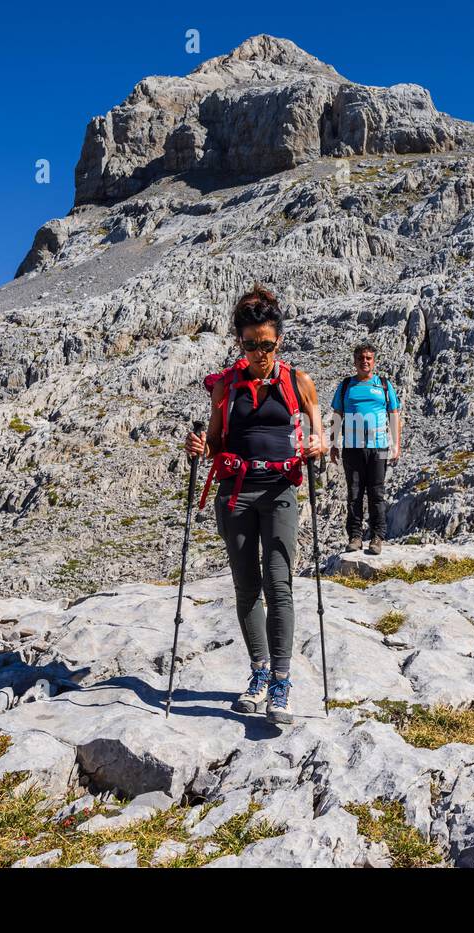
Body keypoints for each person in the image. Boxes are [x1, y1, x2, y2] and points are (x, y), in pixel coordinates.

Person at [184, 284, 324, 725]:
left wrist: (319, 444)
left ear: (278, 340)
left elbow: (319, 431)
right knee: (246, 586)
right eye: (250, 345)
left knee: (278, 584)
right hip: (236, 491)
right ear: (239, 343)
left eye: (267, 344)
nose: (260, 353)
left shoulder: (298, 381)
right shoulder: (225, 384)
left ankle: (281, 680)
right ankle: (259, 672)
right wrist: (199, 445)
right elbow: (216, 441)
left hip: (280, 488)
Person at [329, 342, 402, 555]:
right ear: (355, 361)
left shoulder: (384, 385)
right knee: (354, 493)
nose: (365, 361)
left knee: (376, 493)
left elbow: (394, 415)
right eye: (361, 358)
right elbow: (337, 415)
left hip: (378, 447)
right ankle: (355, 536)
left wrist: (396, 444)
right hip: (352, 447)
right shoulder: (346, 386)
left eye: (369, 358)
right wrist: (334, 444)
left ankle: (377, 537)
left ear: (374, 361)